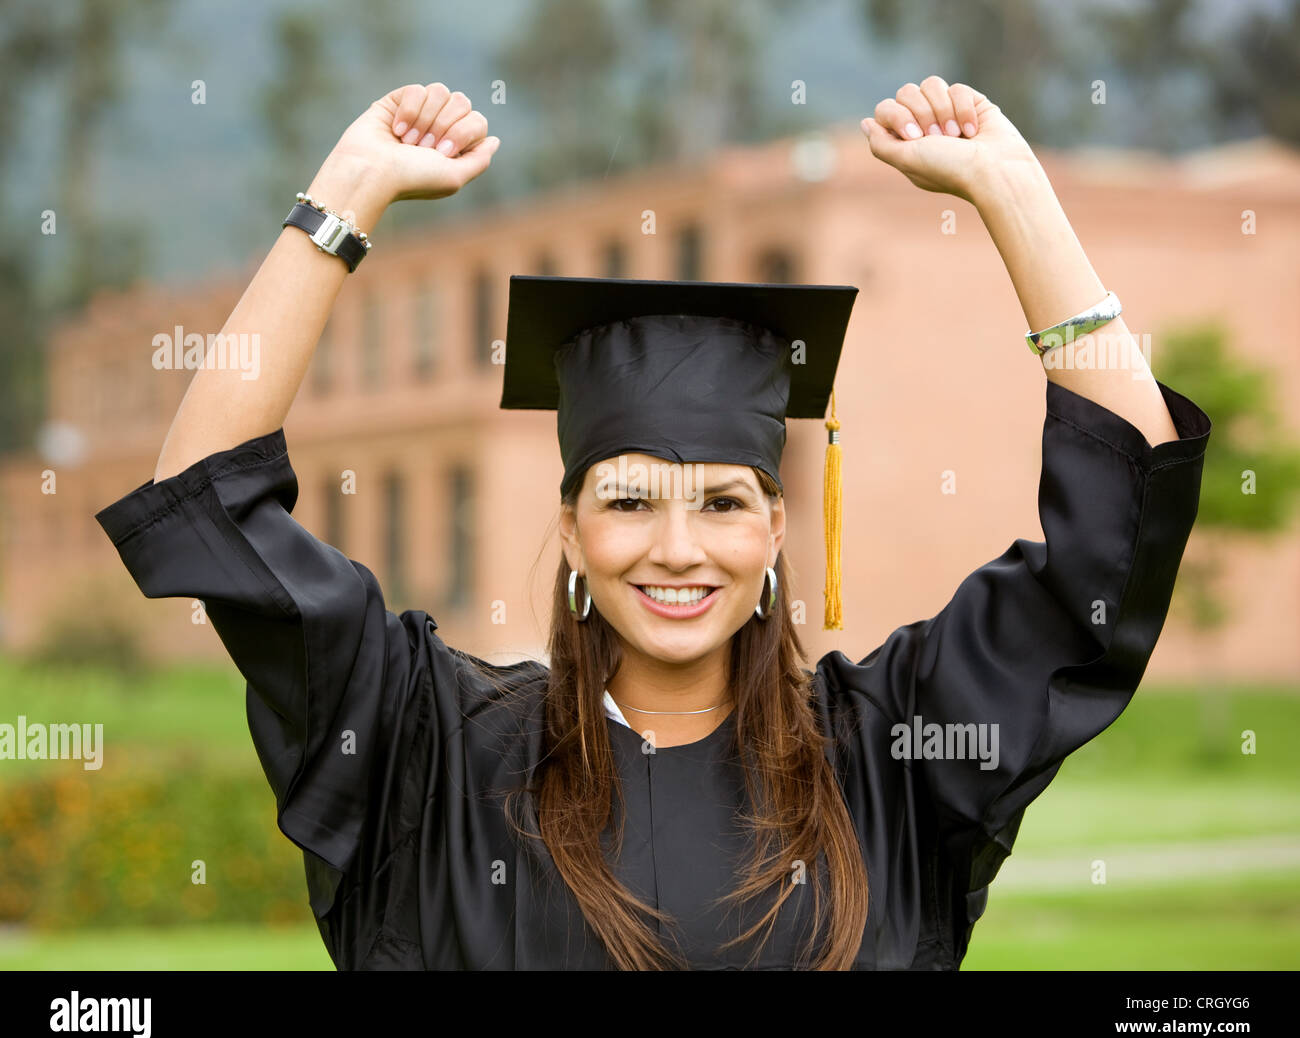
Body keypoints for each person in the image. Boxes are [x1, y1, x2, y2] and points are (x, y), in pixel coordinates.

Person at [95, 78, 1211, 970]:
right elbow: (211, 496)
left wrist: (1013, 193)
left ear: (775, 530)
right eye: (626, 499)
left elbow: (1105, 553)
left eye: (722, 501)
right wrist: (343, 200)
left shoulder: (889, 754)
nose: (677, 547)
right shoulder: (429, 752)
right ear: (572, 530)